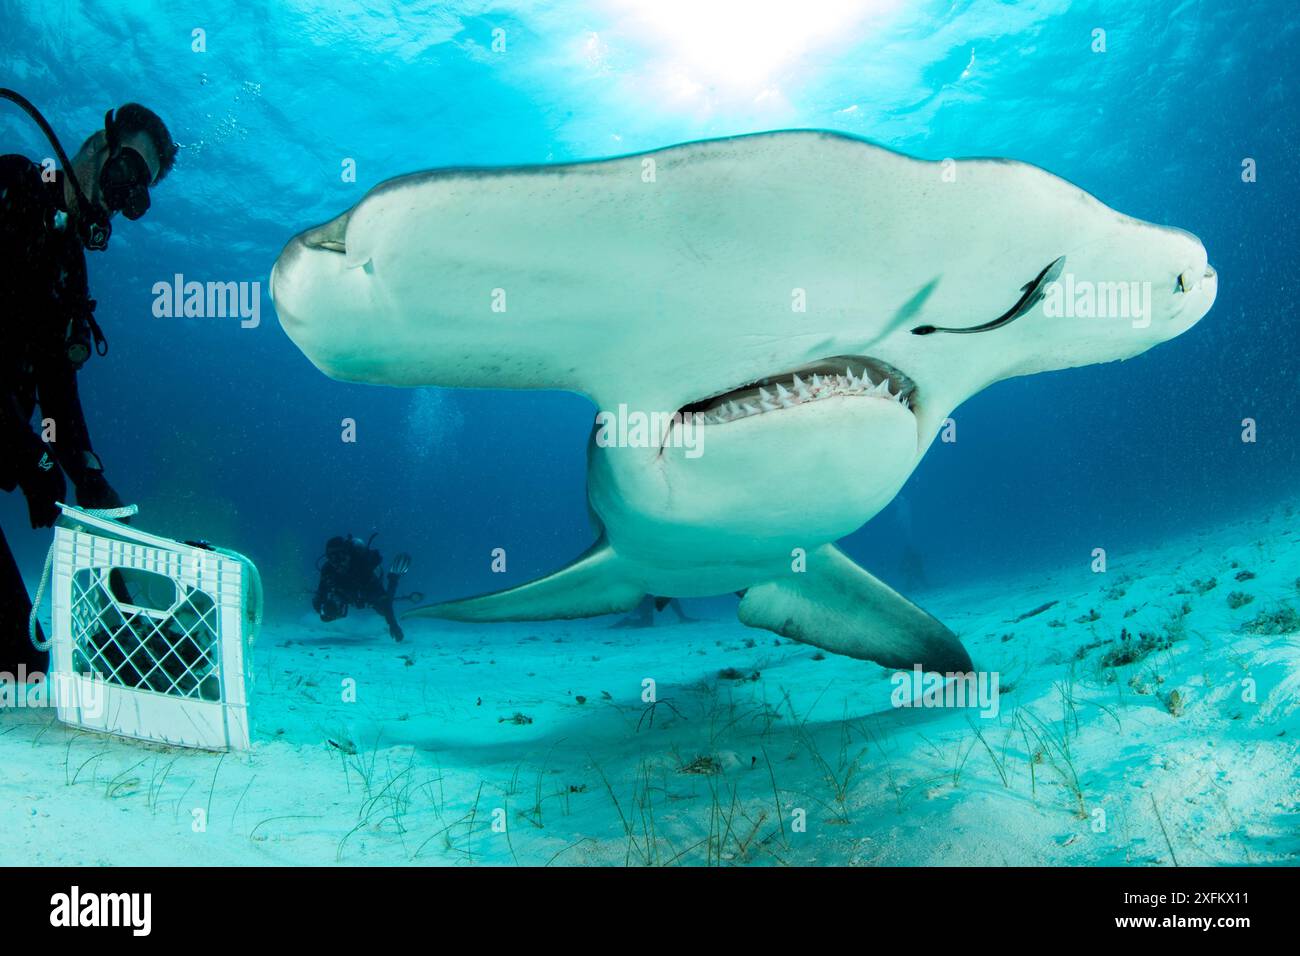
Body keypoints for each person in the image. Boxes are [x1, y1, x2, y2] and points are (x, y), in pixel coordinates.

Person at [0, 93, 177, 673]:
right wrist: (30, 458)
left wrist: (87, 476)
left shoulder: (68, 273)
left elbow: (56, 389)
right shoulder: (13, 188)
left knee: (20, 666)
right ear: (99, 145)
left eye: (138, 195)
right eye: (126, 172)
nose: (122, 197)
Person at [312, 535, 412, 642]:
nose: (337, 562)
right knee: (327, 615)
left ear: (348, 554)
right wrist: (322, 606)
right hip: (346, 595)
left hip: (367, 591)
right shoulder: (328, 570)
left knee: (383, 608)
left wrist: (393, 624)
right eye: (332, 557)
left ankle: (393, 578)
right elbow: (320, 595)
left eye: (340, 556)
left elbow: (384, 600)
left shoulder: (363, 566)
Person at [613, 595, 696, 628]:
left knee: (670, 594)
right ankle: (627, 621)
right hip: (645, 598)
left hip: (649, 597)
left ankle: (682, 617)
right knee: (647, 623)